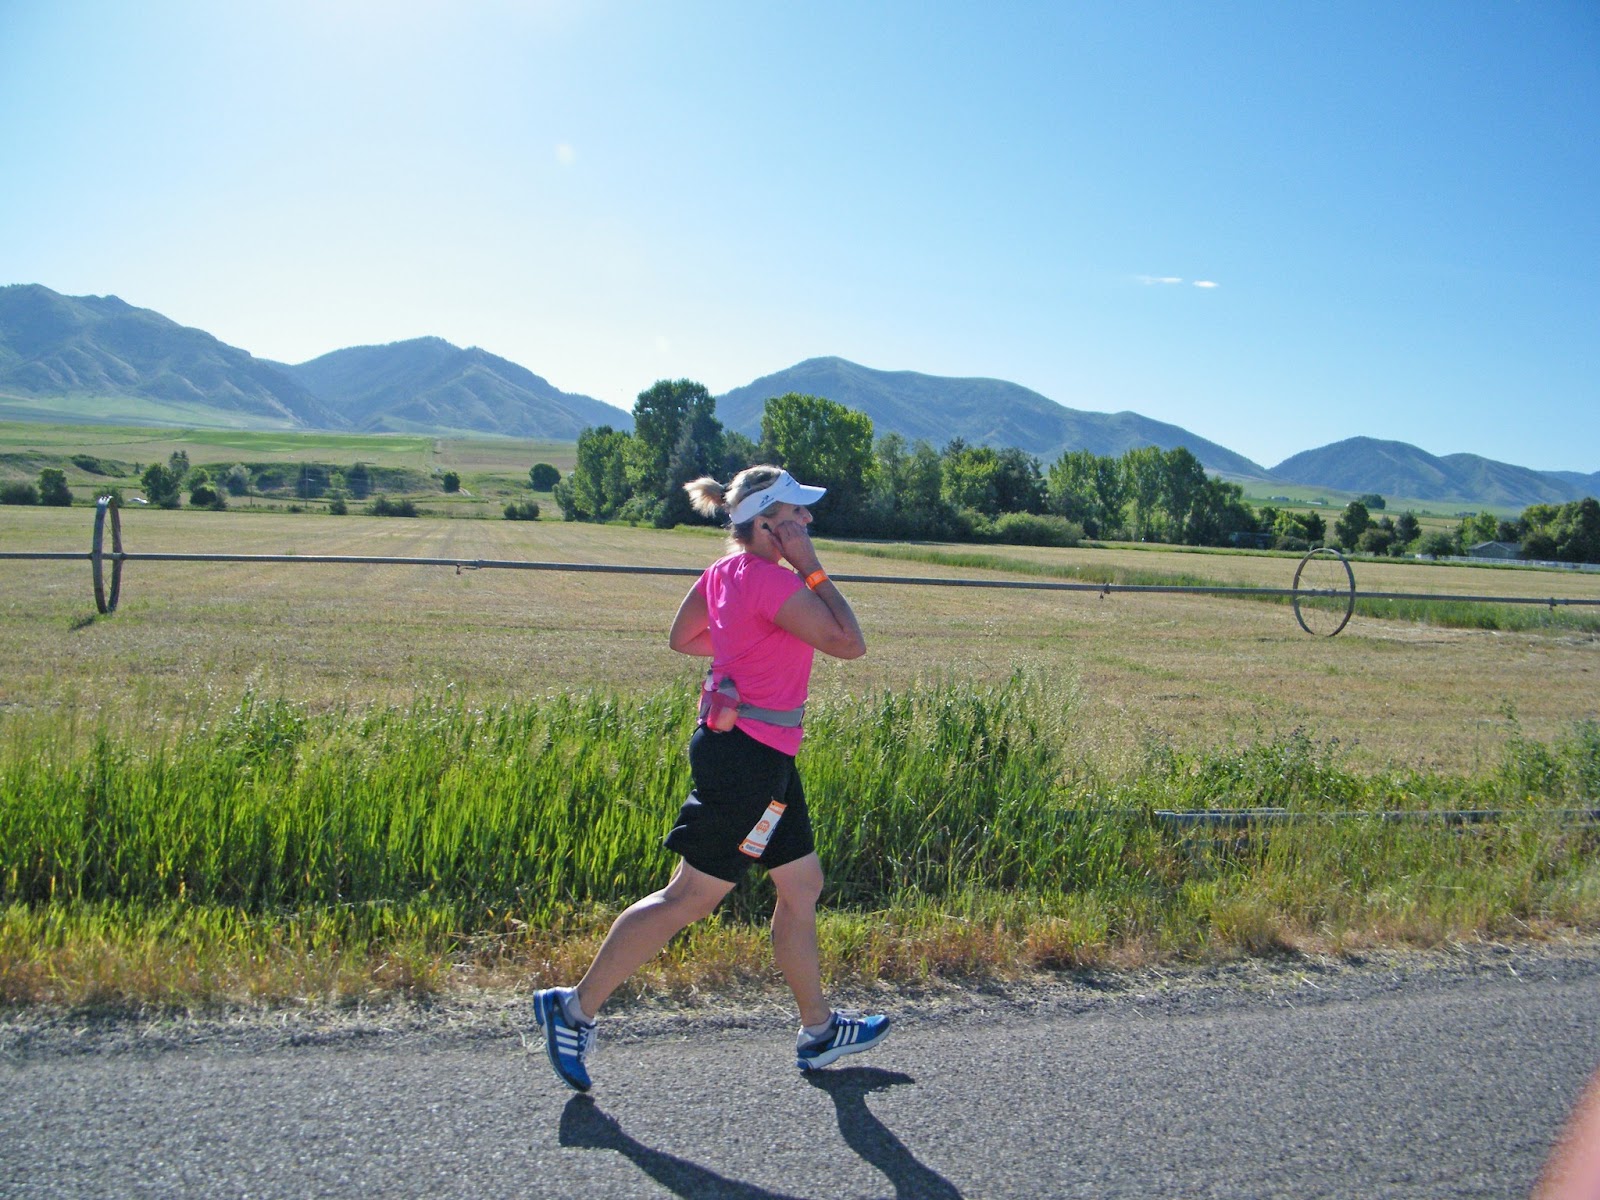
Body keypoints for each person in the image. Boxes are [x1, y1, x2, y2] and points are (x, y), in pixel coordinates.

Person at [531, 466, 890, 1091]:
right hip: (747, 761)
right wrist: (811, 567)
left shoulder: (724, 575)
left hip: (762, 755)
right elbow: (849, 643)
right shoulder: (772, 584)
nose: (808, 521)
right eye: (797, 515)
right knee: (690, 897)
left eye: (805, 515)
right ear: (769, 525)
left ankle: (819, 1030)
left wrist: (740, 650)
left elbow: (682, 638)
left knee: (801, 884)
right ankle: (572, 1009)